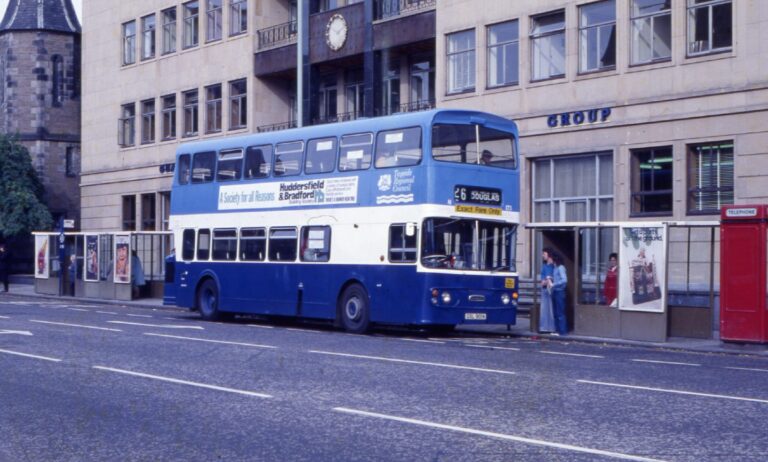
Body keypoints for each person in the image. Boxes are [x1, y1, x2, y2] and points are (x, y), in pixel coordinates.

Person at [550, 251, 568, 336]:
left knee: (560, 312)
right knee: (556, 312)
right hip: (555, 291)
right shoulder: (555, 268)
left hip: (560, 292)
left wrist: (554, 284)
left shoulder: (560, 267)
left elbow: (564, 280)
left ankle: (562, 331)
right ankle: (557, 330)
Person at [538, 247, 555, 334]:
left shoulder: (554, 266)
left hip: (553, 290)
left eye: (544, 254)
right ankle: (544, 327)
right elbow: (542, 282)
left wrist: (550, 279)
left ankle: (552, 327)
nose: (542, 256)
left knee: (552, 309)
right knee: (545, 309)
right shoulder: (544, 267)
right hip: (545, 290)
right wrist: (547, 280)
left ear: (548, 255)